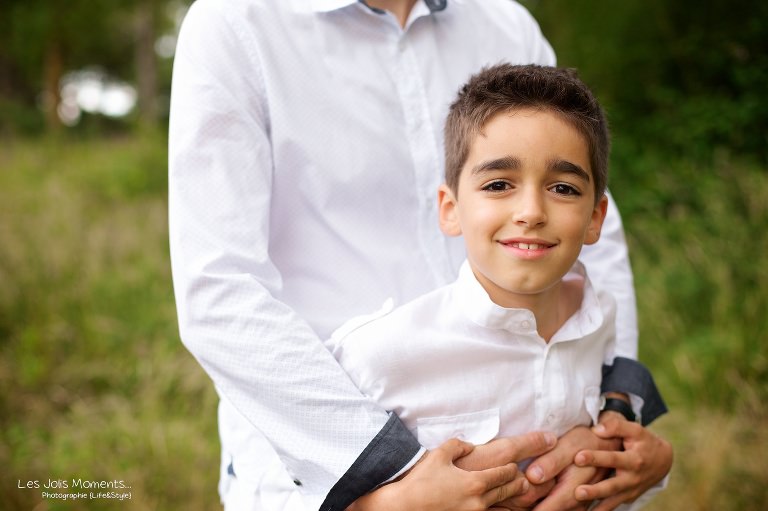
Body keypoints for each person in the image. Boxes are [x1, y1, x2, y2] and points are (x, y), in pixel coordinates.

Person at [168, 1, 670, 510]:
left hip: (532, 459)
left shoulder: (506, 23)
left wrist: (614, 415)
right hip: (327, 463)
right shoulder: (235, 23)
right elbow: (220, 287)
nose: (531, 208)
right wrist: (396, 479)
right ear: (447, 208)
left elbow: (587, 221)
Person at [322, 63, 671, 510]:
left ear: (595, 219)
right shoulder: (377, 354)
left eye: (563, 188)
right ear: (450, 209)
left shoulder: (598, 317)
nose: (531, 211)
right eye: (499, 184)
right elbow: (294, 487)